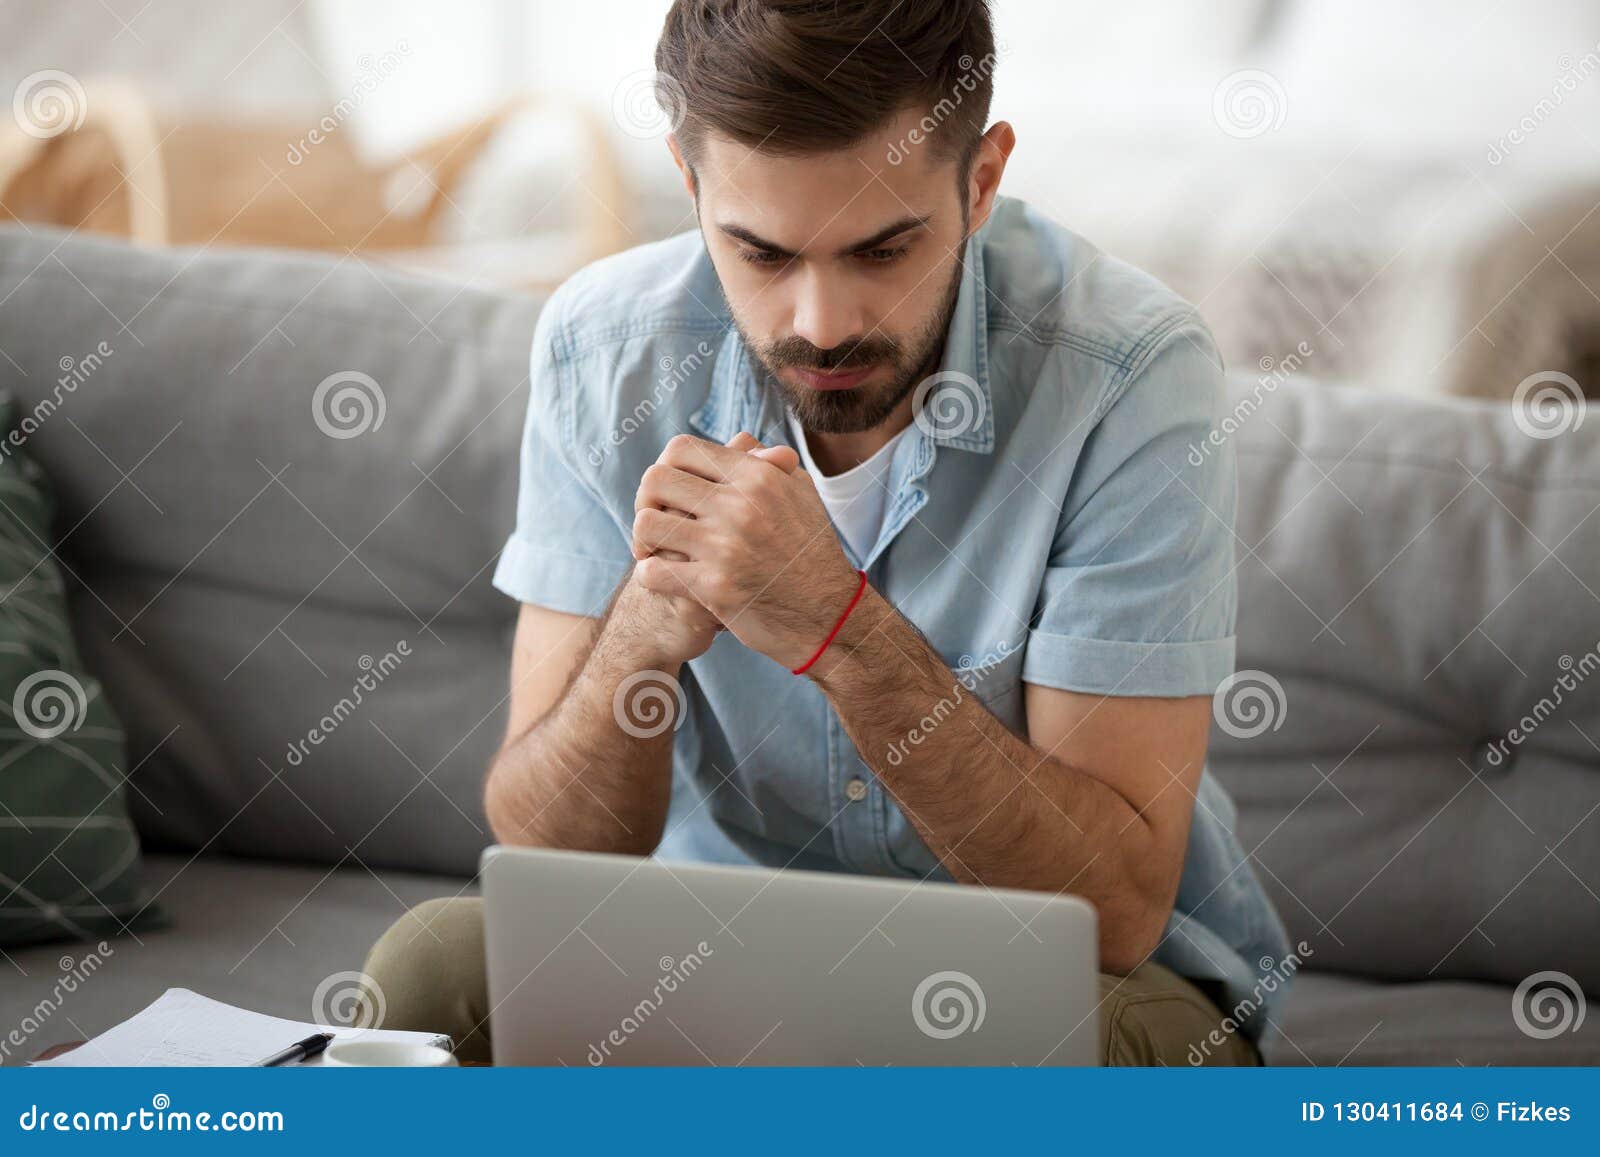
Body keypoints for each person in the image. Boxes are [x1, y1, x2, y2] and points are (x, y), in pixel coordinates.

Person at [360, 0, 1289, 1066]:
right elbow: (546, 852)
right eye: (758, 253)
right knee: (431, 967)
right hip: (717, 956)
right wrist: (644, 626)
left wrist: (840, 626)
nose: (820, 323)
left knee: (1088, 1058)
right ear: (691, 183)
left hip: (1065, 989)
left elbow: (1115, 910)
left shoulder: (1128, 375)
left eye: (882, 249)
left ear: (979, 182)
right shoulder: (602, 348)